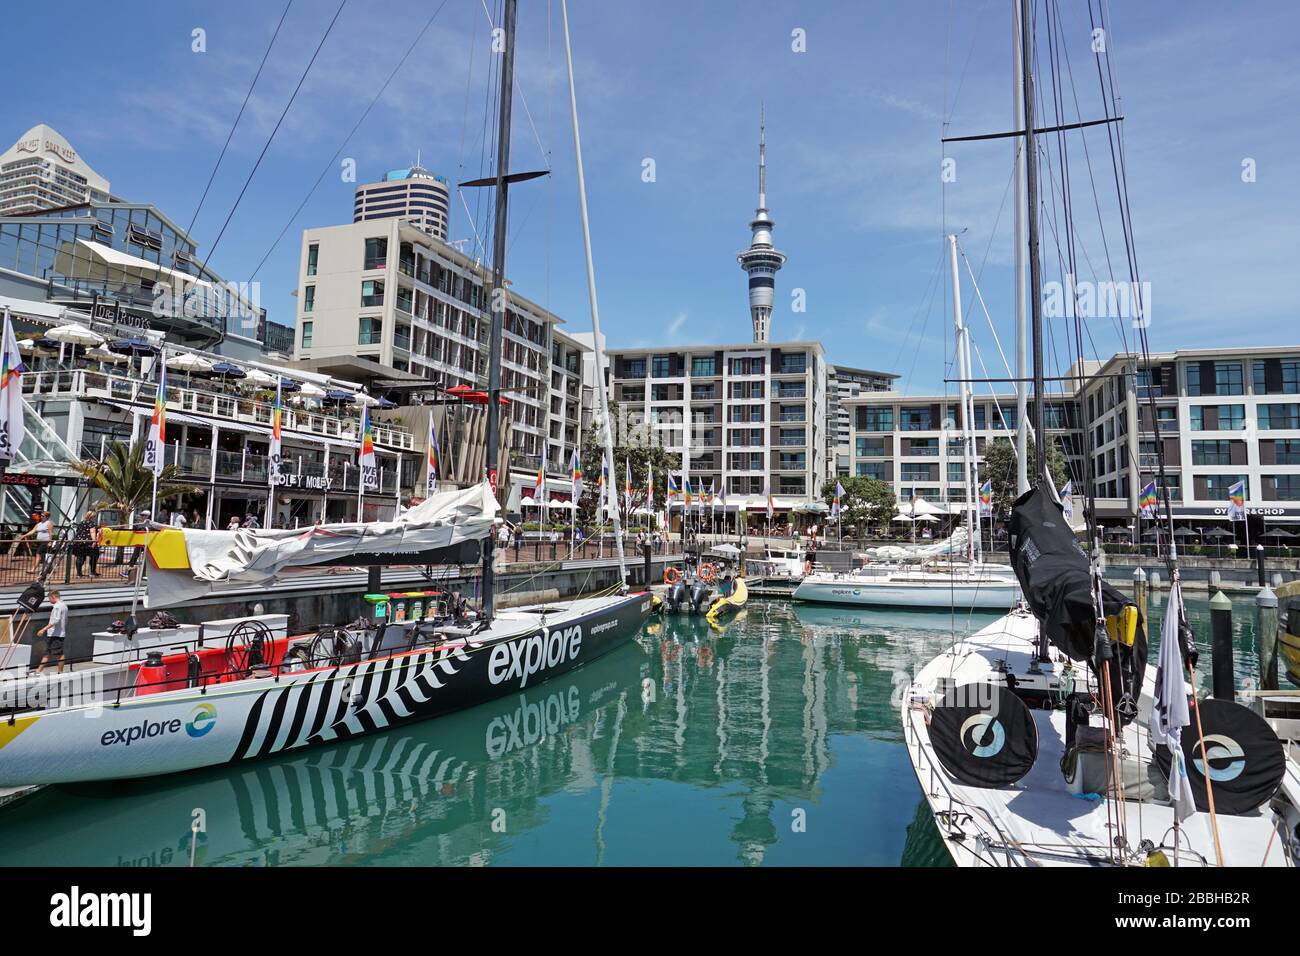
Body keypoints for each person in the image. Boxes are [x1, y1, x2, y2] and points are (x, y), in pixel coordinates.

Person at [35, 590, 69, 674]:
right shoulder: (64, 605)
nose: (49, 601)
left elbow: (56, 620)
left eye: (49, 599)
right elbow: (66, 619)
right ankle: (38, 671)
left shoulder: (57, 606)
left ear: (53, 597)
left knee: (59, 653)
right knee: (47, 653)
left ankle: (60, 671)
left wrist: (43, 629)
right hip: (57, 633)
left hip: (56, 634)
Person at [72, 510, 100, 578]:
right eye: (94, 517)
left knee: (80, 557)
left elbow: (78, 531)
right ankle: (92, 572)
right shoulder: (91, 523)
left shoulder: (81, 523)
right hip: (88, 542)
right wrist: (94, 541)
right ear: (92, 517)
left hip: (79, 542)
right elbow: (92, 532)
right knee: (94, 556)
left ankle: (79, 573)